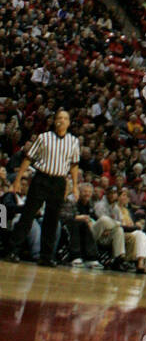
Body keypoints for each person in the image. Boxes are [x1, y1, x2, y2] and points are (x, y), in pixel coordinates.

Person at [8, 109, 79, 266]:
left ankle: (46, 256)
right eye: (59, 117)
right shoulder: (44, 137)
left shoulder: (74, 141)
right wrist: (18, 179)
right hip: (42, 178)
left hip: (59, 181)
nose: (61, 120)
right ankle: (12, 249)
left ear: (69, 122)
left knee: (52, 220)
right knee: (28, 215)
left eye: (65, 118)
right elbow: (28, 159)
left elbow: (74, 165)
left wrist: (75, 186)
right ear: (54, 121)